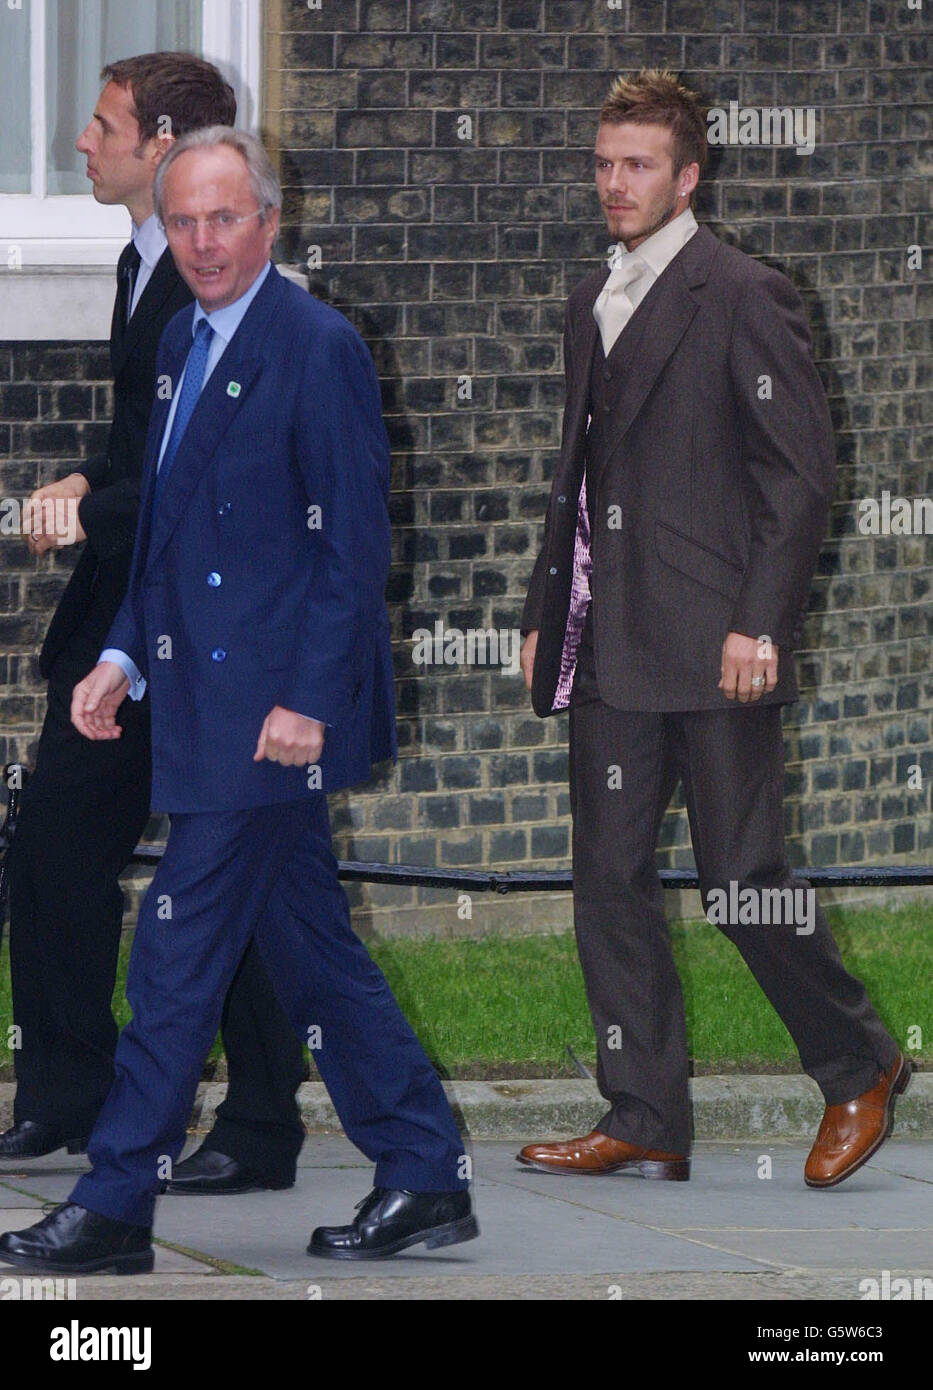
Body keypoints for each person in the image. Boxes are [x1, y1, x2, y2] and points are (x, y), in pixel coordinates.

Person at [0, 127, 476, 1274]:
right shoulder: (175, 339)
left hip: (272, 718)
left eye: (227, 218)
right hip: (200, 698)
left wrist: (312, 699)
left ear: (269, 221)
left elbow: (353, 548)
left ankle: (116, 1202)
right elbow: (160, 530)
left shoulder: (317, 346)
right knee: (313, 954)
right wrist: (121, 658)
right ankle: (423, 1169)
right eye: (188, 222)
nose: (206, 242)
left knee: (172, 950)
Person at [516, 70, 907, 1190]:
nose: (614, 184)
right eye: (602, 163)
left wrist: (760, 625)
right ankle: (643, 1110)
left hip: (719, 647)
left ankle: (858, 1063)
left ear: (690, 176)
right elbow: (576, 486)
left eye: (636, 165)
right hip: (613, 645)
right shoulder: (591, 298)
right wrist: (550, 615)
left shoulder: (745, 293)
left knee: (743, 881)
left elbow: (800, 480)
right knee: (608, 883)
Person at [2, 52, 308, 1195]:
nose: (82, 142)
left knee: (233, 875)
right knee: (56, 852)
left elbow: (214, 483)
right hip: (131, 622)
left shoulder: (206, 282)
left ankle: (264, 1119)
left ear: (164, 137)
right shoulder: (144, 266)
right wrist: (89, 484)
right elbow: (147, 451)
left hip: (198, 634)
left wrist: (92, 511)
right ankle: (70, 1091)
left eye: (102, 123)